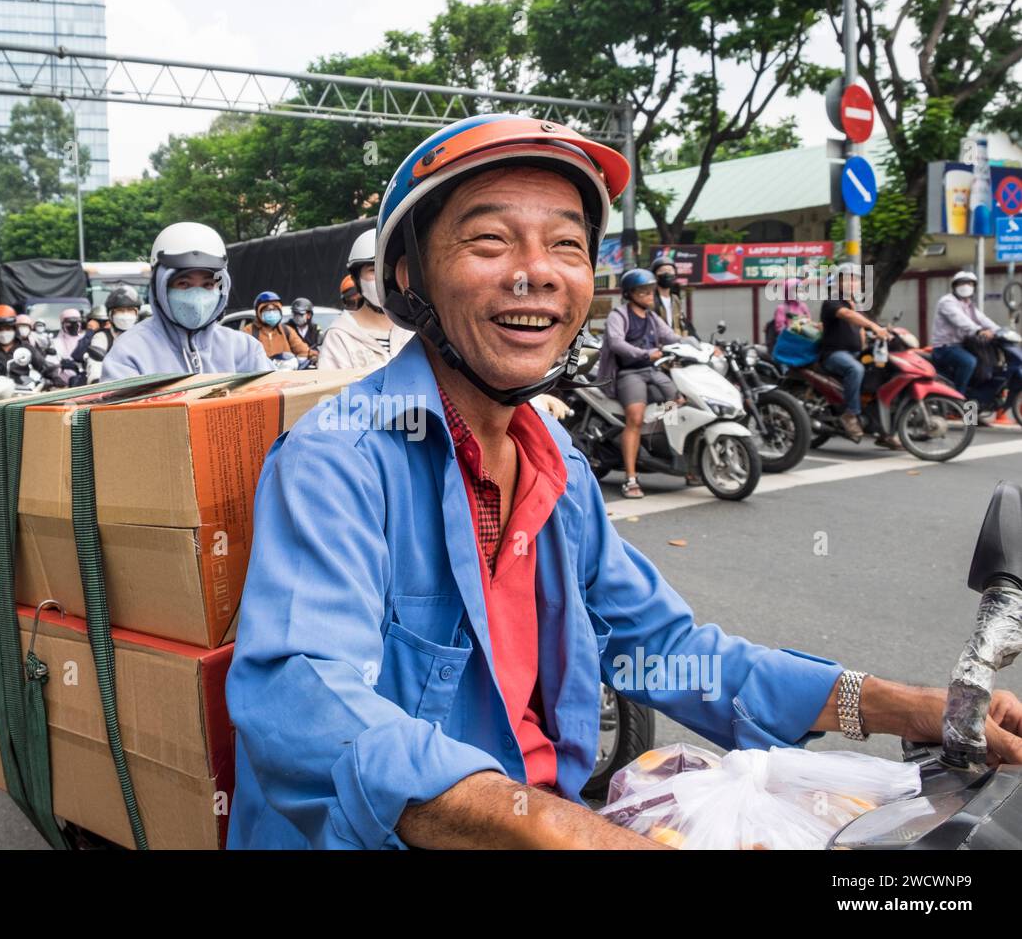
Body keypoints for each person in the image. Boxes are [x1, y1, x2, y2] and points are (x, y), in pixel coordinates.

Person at [224, 113, 1022, 851]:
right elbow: (304, 701)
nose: (536, 274)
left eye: (567, 246)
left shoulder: (558, 469)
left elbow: (662, 654)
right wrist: (567, 831)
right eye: (491, 241)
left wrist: (909, 706)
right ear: (408, 277)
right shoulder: (339, 457)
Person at [101, 222, 270, 378]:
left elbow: (284, 403)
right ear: (161, 286)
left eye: (208, 285)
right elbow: (117, 410)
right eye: (184, 284)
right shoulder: (129, 353)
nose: (197, 296)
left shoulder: (245, 350)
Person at [596, 268, 687, 498]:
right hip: (629, 373)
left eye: (651, 291)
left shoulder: (653, 317)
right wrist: (645, 354)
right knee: (634, 419)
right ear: (630, 294)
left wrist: (698, 345)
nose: (649, 296)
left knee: (680, 401)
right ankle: (631, 478)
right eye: (644, 291)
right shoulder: (619, 315)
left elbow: (672, 337)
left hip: (652, 370)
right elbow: (616, 343)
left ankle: (662, 443)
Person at [316, 228, 414, 371]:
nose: (382, 279)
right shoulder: (340, 336)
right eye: (373, 271)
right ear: (356, 280)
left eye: (388, 271)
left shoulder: (411, 327)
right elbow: (332, 391)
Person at [818, 263, 894, 446]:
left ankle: (883, 430)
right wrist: (873, 326)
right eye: (848, 278)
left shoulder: (857, 305)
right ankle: (850, 414)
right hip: (834, 354)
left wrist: (881, 332)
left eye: (856, 279)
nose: (852, 283)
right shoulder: (832, 302)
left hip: (855, 352)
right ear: (838, 282)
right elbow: (847, 315)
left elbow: (864, 326)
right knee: (856, 370)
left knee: (882, 374)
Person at [930, 271, 1000, 399]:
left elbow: (983, 319)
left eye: (969, 283)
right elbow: (961, 320)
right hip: (945, 347)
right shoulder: (947, 302)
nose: (965, 286)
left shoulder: (968, 305)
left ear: (974, 287)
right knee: (969, 362)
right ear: (955, 286)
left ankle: (975, 397)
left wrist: (999, 331)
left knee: (985, 362)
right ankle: (958, 398)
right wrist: (979, 331)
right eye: (962, 283)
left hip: (961, 346)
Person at [242, 291, 316, 364]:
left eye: (275, 309)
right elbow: (241, 356)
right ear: (259, 312)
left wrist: (315, 357)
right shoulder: (249, 331)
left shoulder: (286, 330)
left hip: (284, 373)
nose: (271, 313)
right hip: (260, 374)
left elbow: (304, 350)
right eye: (267, 310)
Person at [765, 276, 814, 351]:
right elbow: (780, 330)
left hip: (805, 343)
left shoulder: (803, 307)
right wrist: (794, 329)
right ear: (788, 291)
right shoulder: (781, 309)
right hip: (788, 345)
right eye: (797, 290)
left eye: (801, 289)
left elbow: (809, 324)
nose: (800, 292)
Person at [650, 256, 687, 333]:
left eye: (670, 270)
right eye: (662, 271)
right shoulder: (650, 299)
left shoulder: (675, 299)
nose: (667, 273)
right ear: (655, 275)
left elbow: (681, 324)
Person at [51, 307, 85, 383]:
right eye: (70, 323)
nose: (74, 325)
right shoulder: (56, 342)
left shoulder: (85, 339)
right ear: (62, 324)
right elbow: (52, 363)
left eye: (77, 322)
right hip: (64, 383)